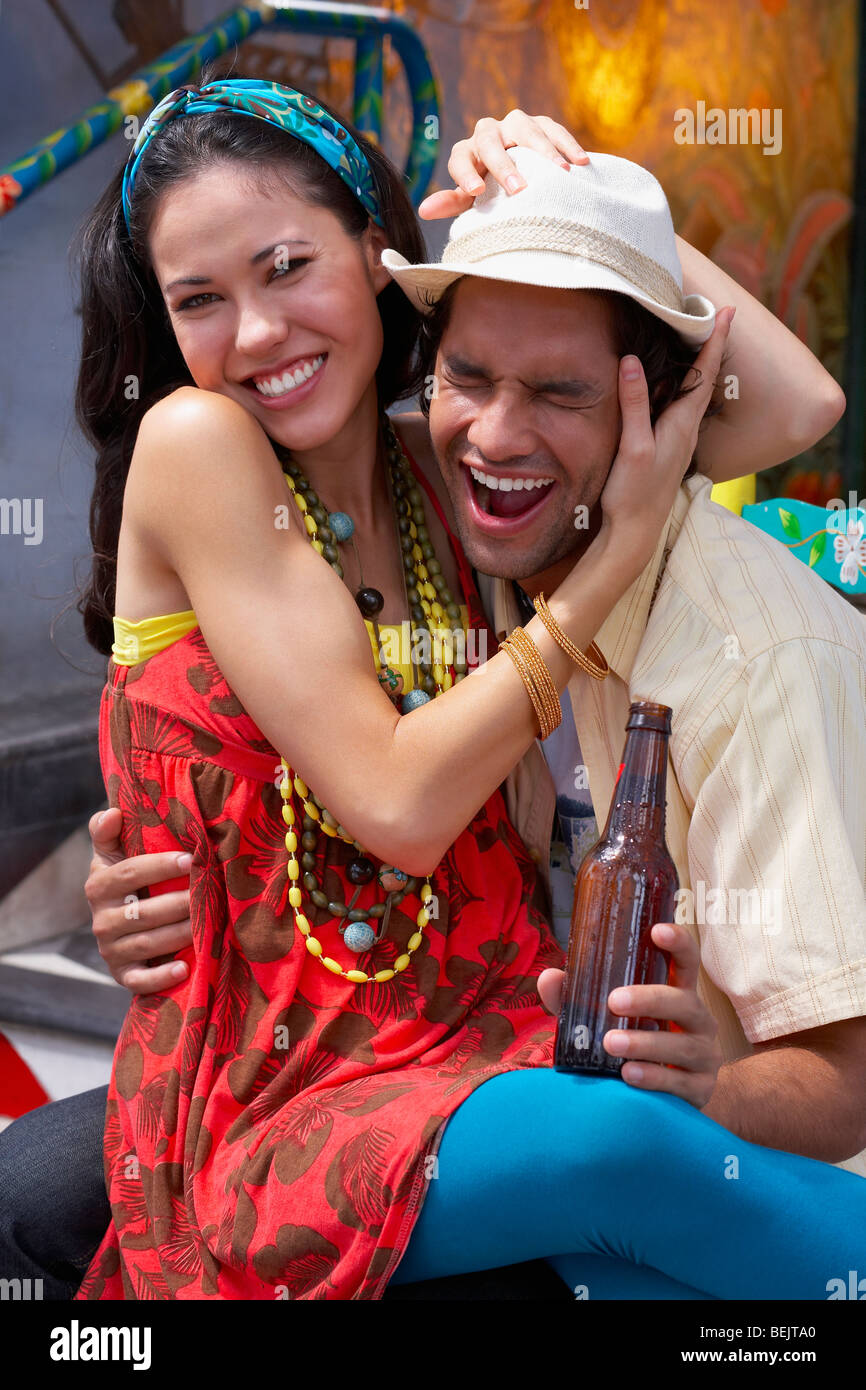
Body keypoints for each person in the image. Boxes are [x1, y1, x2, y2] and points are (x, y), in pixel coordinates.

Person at [2, 76, 863, 1302]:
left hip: (480, 1029)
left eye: (288, 265)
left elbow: (793, 404)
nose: (255, 333)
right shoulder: (198, 446)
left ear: (375, 249)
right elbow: (397, 811)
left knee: (631, 1263)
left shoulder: (448, 463)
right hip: (282, 1086)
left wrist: (580, 200)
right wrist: (605, 559)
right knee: (613, 1150)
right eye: (199, 299)